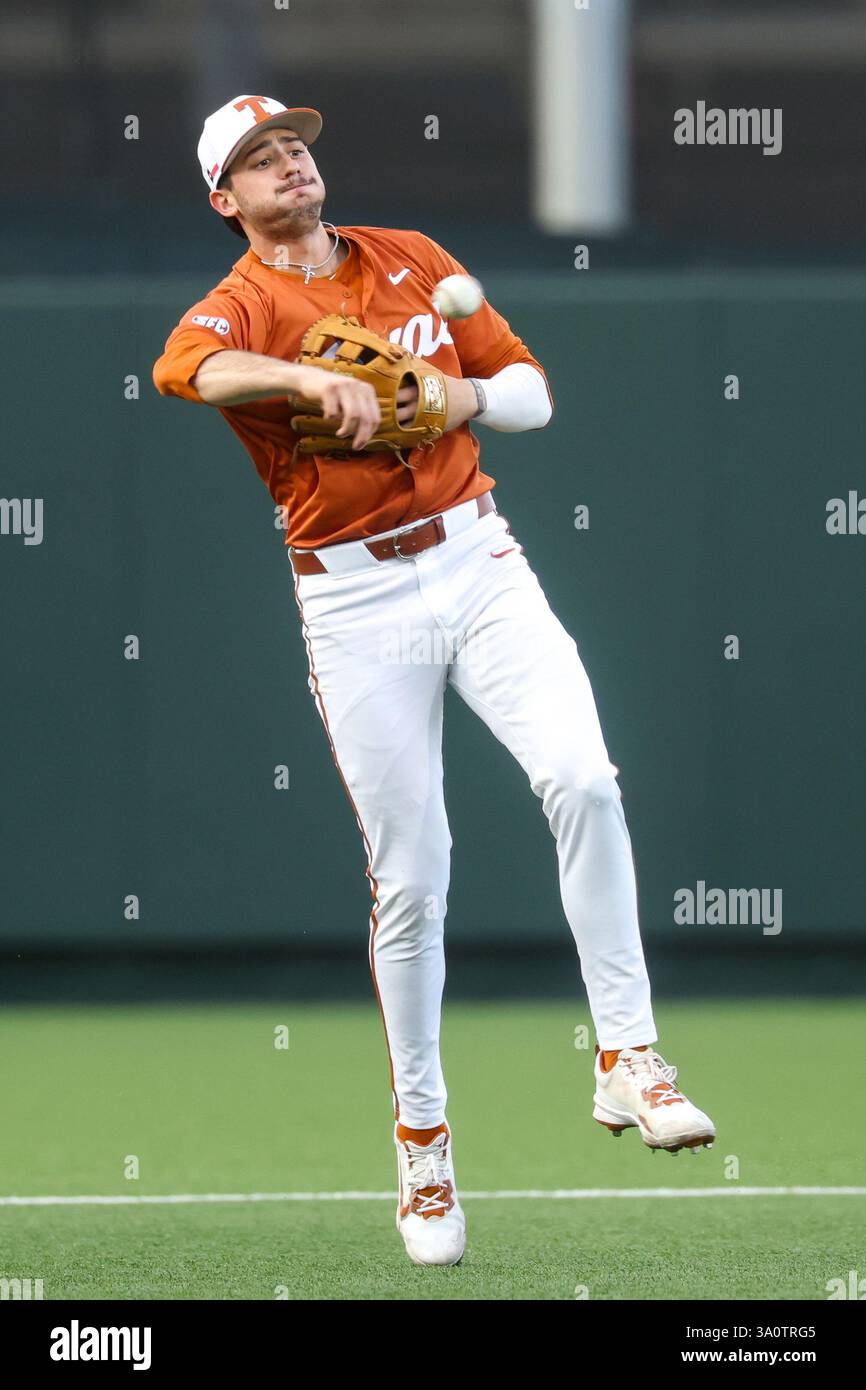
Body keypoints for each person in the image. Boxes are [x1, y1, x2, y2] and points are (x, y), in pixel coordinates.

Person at [153, 94, 715, 1269]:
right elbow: (183, 366)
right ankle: (423, 1144)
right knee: (413, 878)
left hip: (477, 555)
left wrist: (451, 397)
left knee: (584, 778)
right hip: (352, 596)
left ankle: (627, 1057)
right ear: (226, 200)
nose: (287, 161)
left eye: (294, 142)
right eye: (257, 158)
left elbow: (530, 392)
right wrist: (306, 384)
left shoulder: (413, 260)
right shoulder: (244, 302)